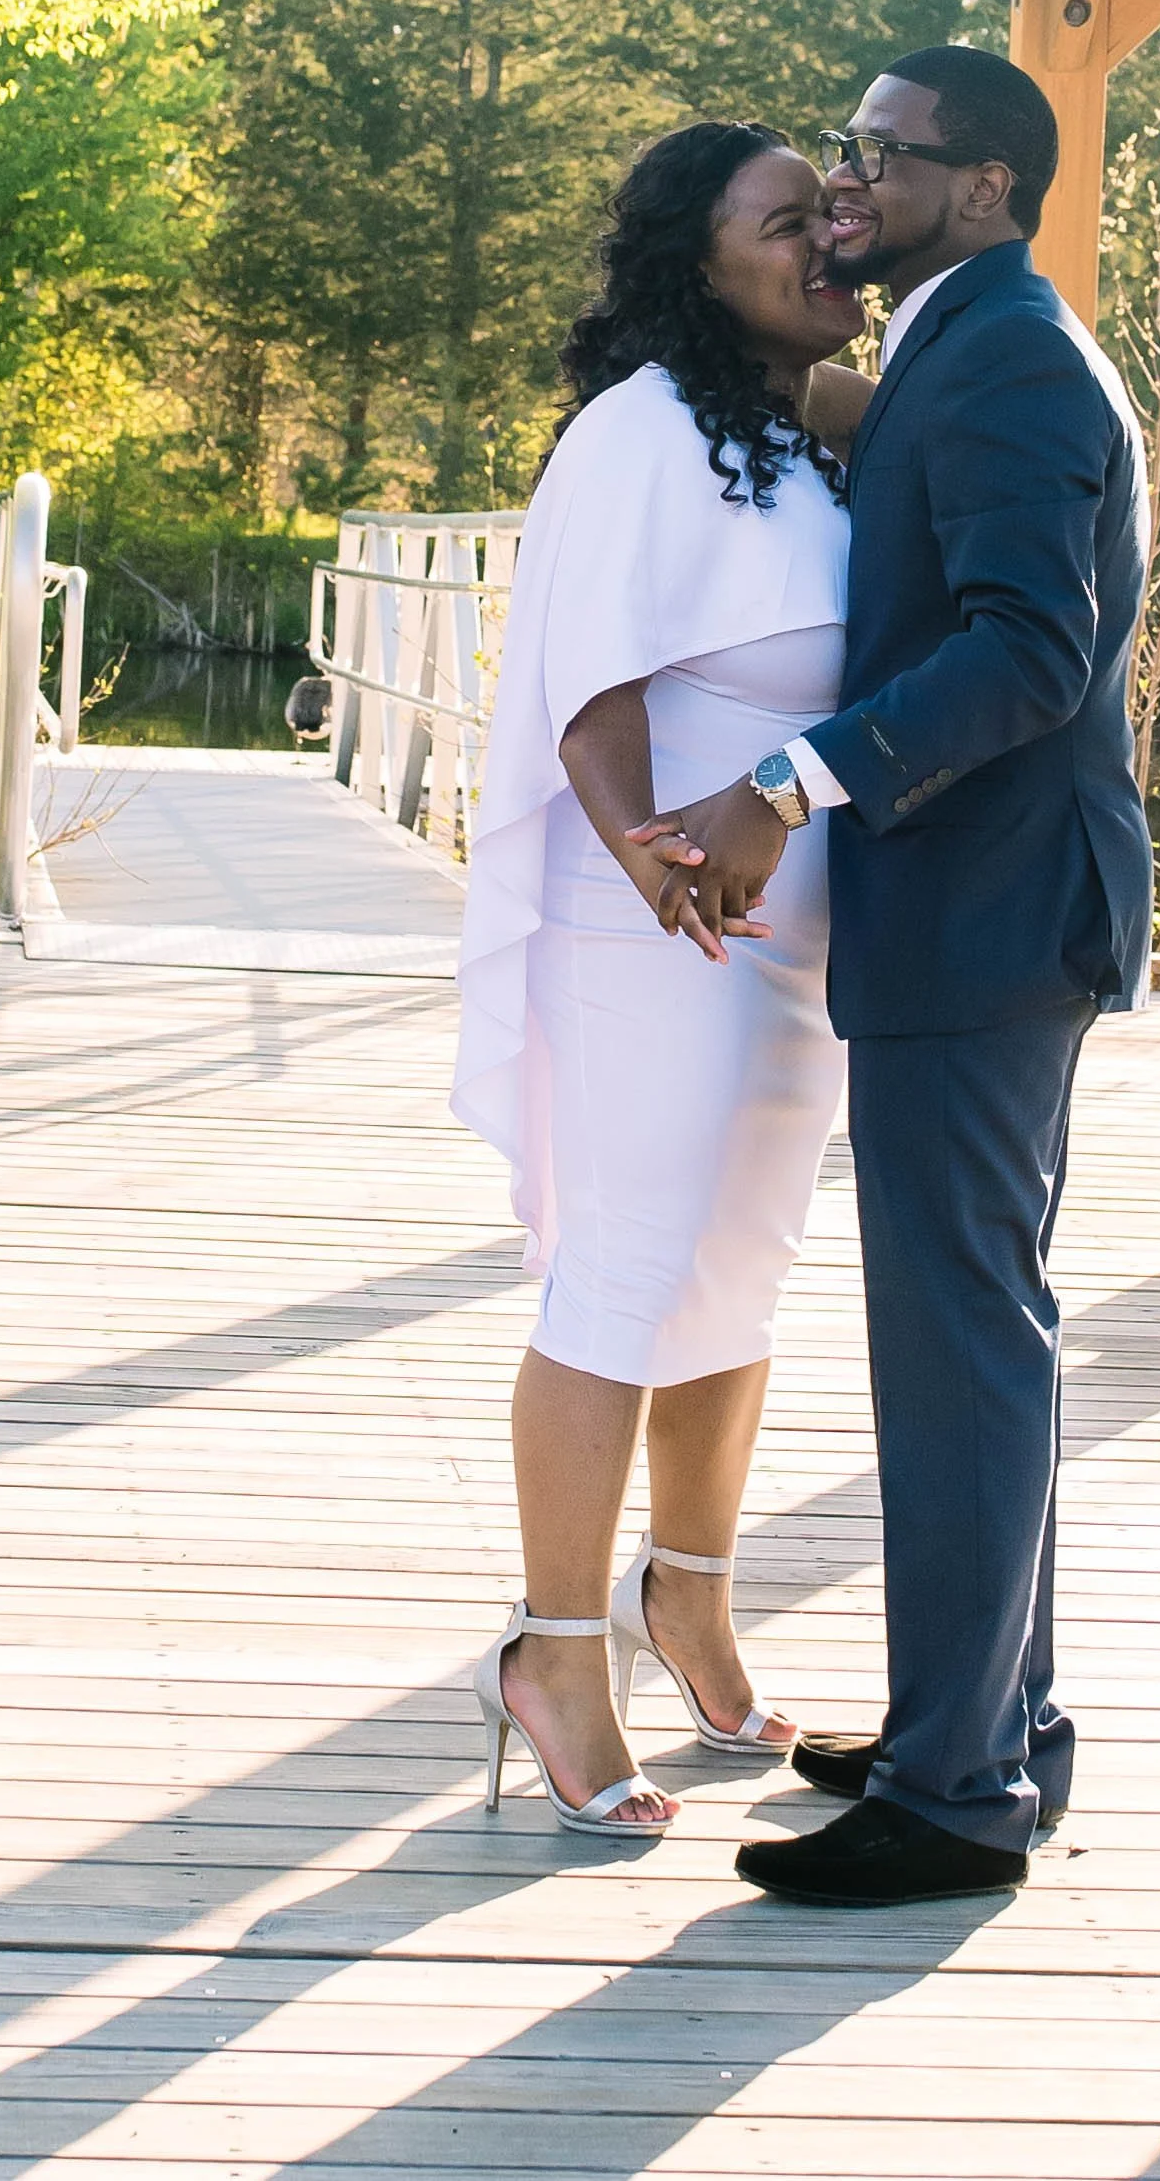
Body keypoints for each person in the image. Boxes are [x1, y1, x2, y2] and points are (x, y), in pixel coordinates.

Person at [637, 45, 1151, 1906]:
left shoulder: (1008, 348)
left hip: (993, 914)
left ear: (989, 188)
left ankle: (951, 1798)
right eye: (841, 151)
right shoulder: (969, 337)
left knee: (955, 1345)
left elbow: (1027, 649)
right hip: (991, 912)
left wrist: (789, 774)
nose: (847, 180)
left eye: (881, 156)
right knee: (973, 1330)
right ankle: (986, 1726)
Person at [452, 121, 872, 1834]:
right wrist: (638, 842)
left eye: (833, 217)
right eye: (788, 223)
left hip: (788, 927)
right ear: (695, 263)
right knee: (627, 1265)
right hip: (658, 903)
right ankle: (557, 1647)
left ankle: (684, 1588)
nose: (826, 244)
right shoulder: (634, 437)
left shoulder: (816, 431)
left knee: (742, 1267)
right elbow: (588, 664)